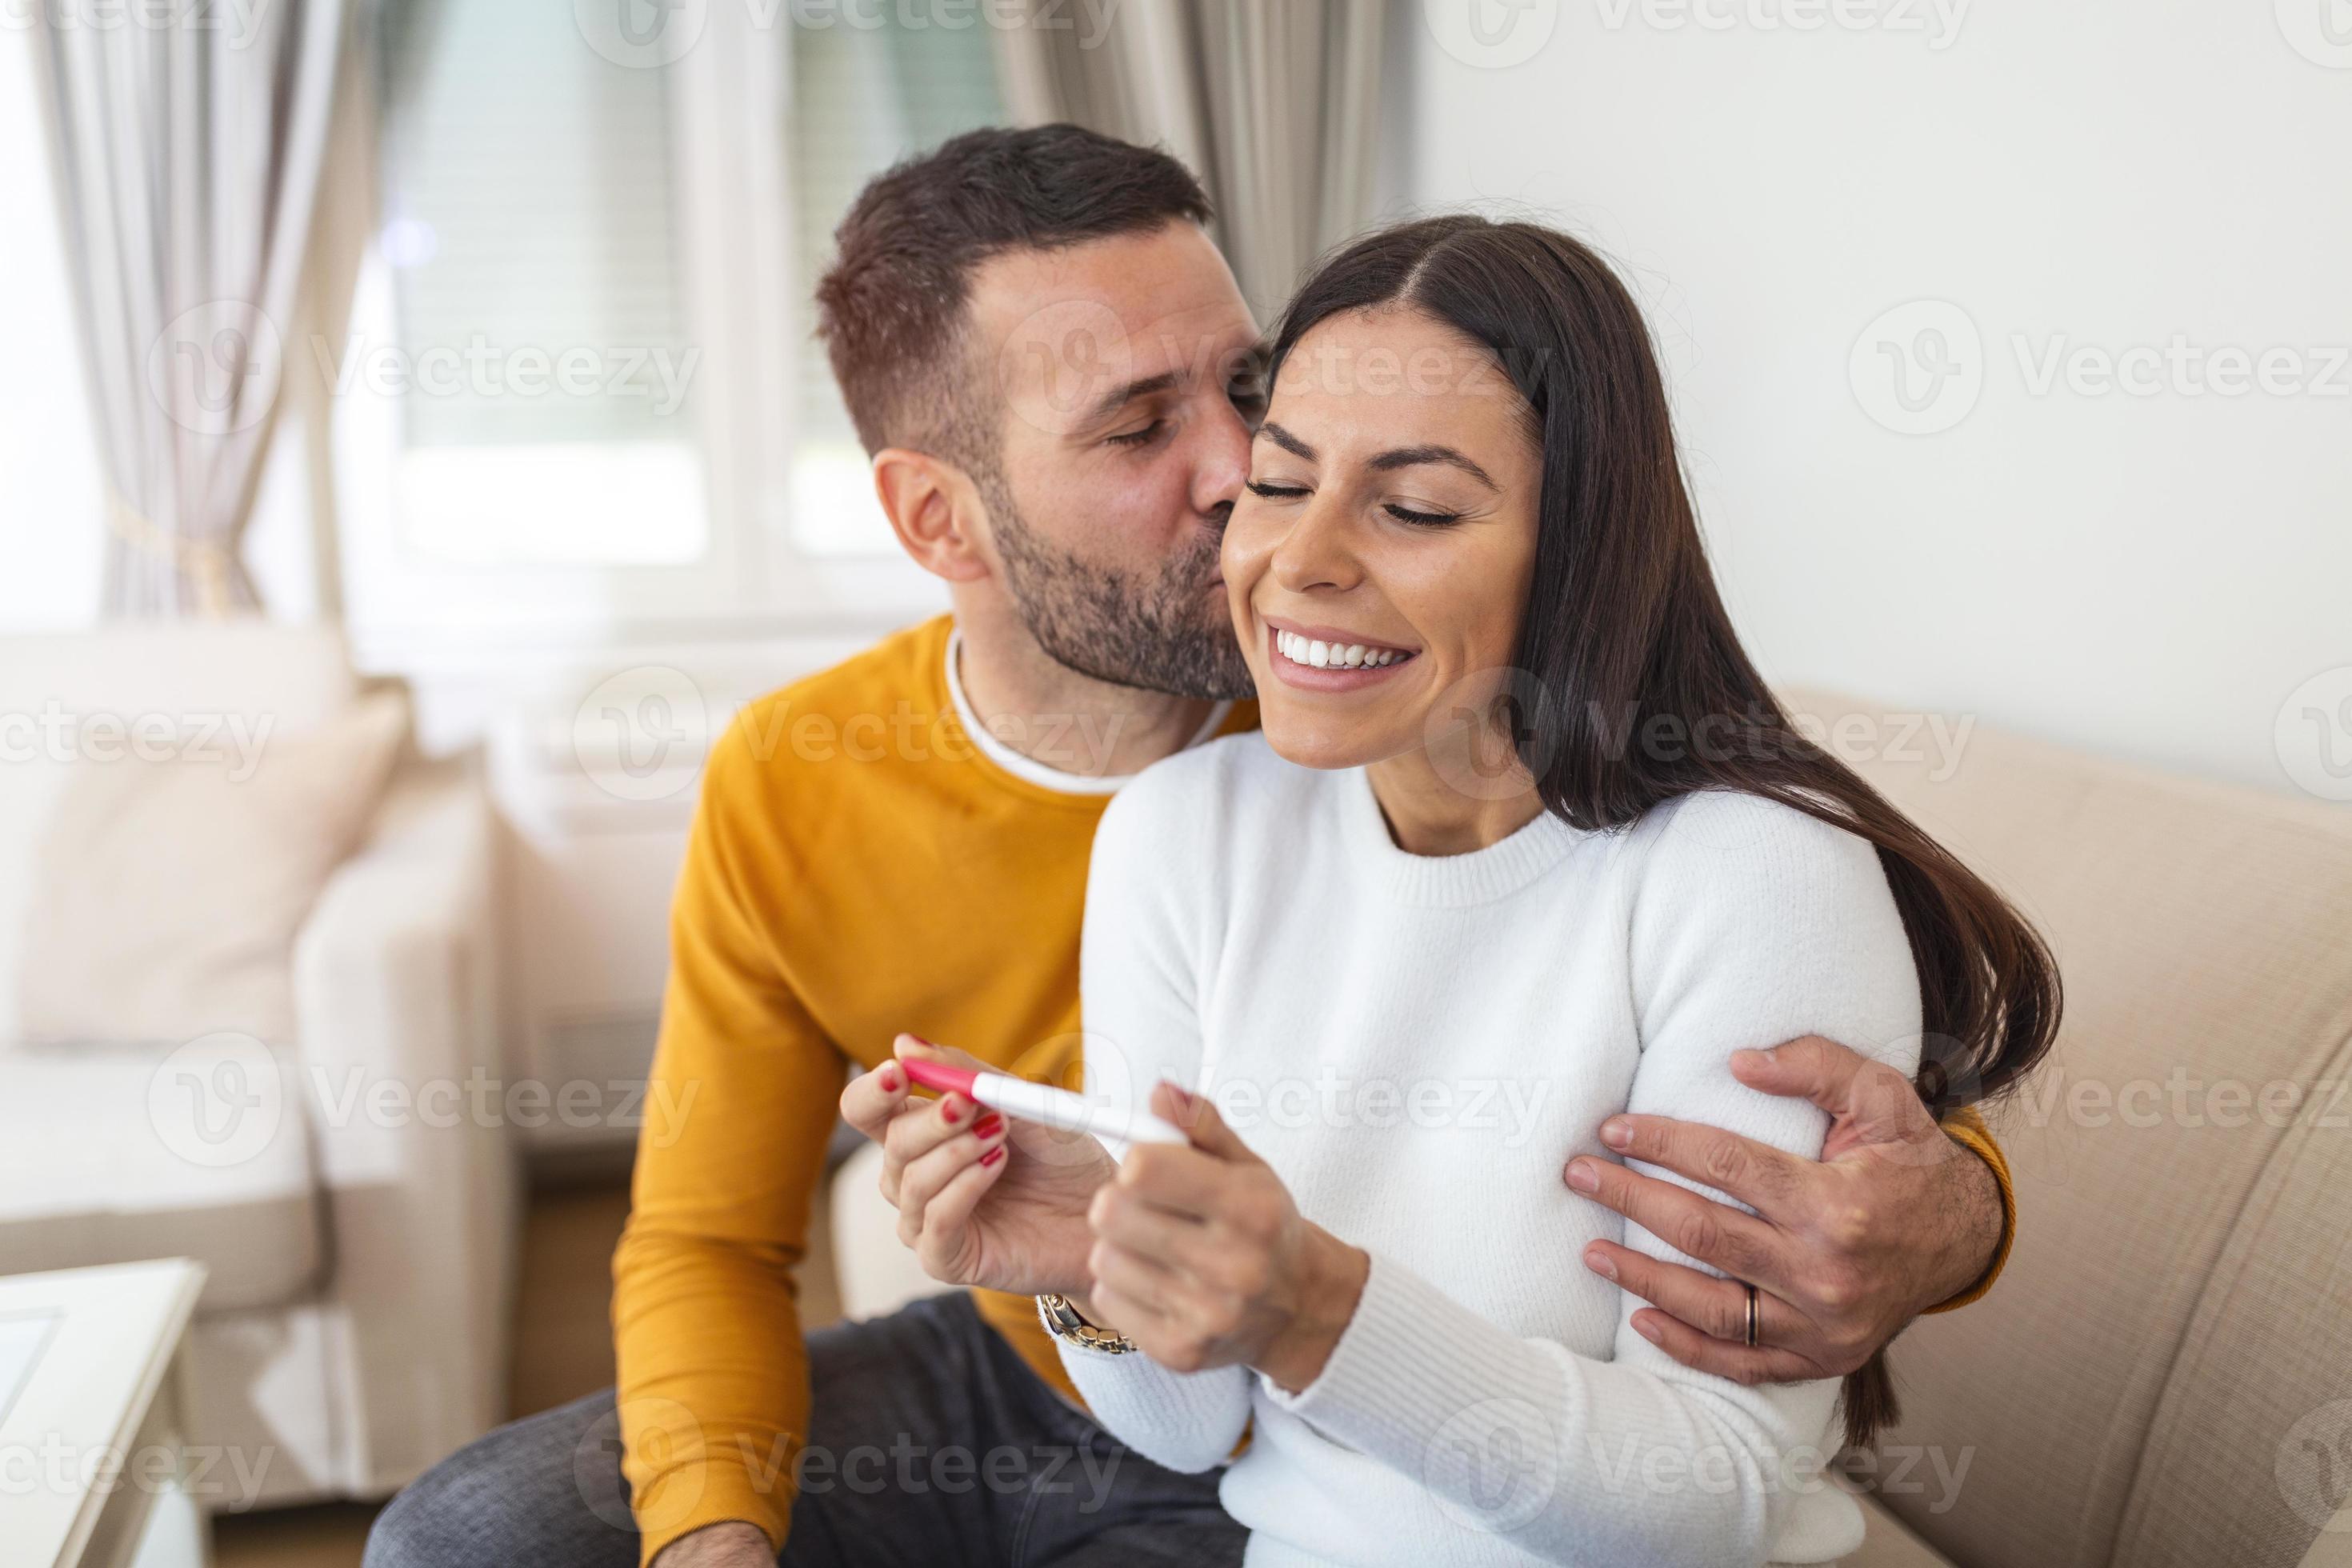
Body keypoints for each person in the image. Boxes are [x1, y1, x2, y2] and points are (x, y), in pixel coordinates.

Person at [365, 129, 2021, 1568]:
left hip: (1313, 1430)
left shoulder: (1386, 697)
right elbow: (714, 1240)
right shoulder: (877, 785)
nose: (1244, 490)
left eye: (1245, 388)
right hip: (1080, 1367)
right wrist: (724, 1529)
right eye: (1137, 426)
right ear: (940, 518)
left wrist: (1966, 1211)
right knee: (468, 1536)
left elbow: (1772, 1033)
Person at [850, 212, 2058, 1565]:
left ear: (1583, 547)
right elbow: (1189, 1429)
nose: (1303, 559)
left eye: (1416, 508)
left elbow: (1711, 1498)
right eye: (1281, 481)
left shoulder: (1750, 879)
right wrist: (1093, 1261)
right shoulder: (1180, 835)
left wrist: (1320, 1312)